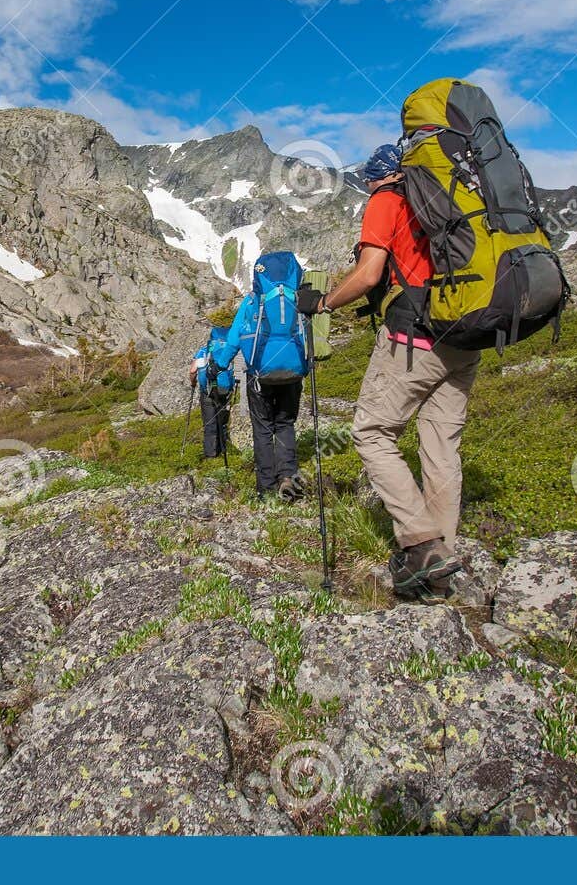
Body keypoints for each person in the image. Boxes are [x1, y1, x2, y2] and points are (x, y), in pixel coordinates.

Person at [295, 143, 480, 601]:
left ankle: (420, 543)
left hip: (413, 338)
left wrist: (322, 302)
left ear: (376, 177)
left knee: (372, 433)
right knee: (440, 446)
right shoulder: (449, 196)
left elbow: (369, 274)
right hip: (465, 334)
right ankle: (441, 564)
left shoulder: (387, 200)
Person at [217, 250, 309, 501]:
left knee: (263, 429)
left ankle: (266, 488)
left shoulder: (252, 301)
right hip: (293, 372)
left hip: (259, 374)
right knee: (285, 423)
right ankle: (288, 476)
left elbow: (234, 336)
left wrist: (220, 364)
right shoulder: (298, 298)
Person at [189, 326, 234, 460]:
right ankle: (224, 449)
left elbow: (192, 371)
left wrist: (193, 383)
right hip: (225, 390)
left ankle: (211, 454)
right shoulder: (229, 350)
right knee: (223, 420)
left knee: (209, 423)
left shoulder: (204, 351)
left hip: (207, 391)